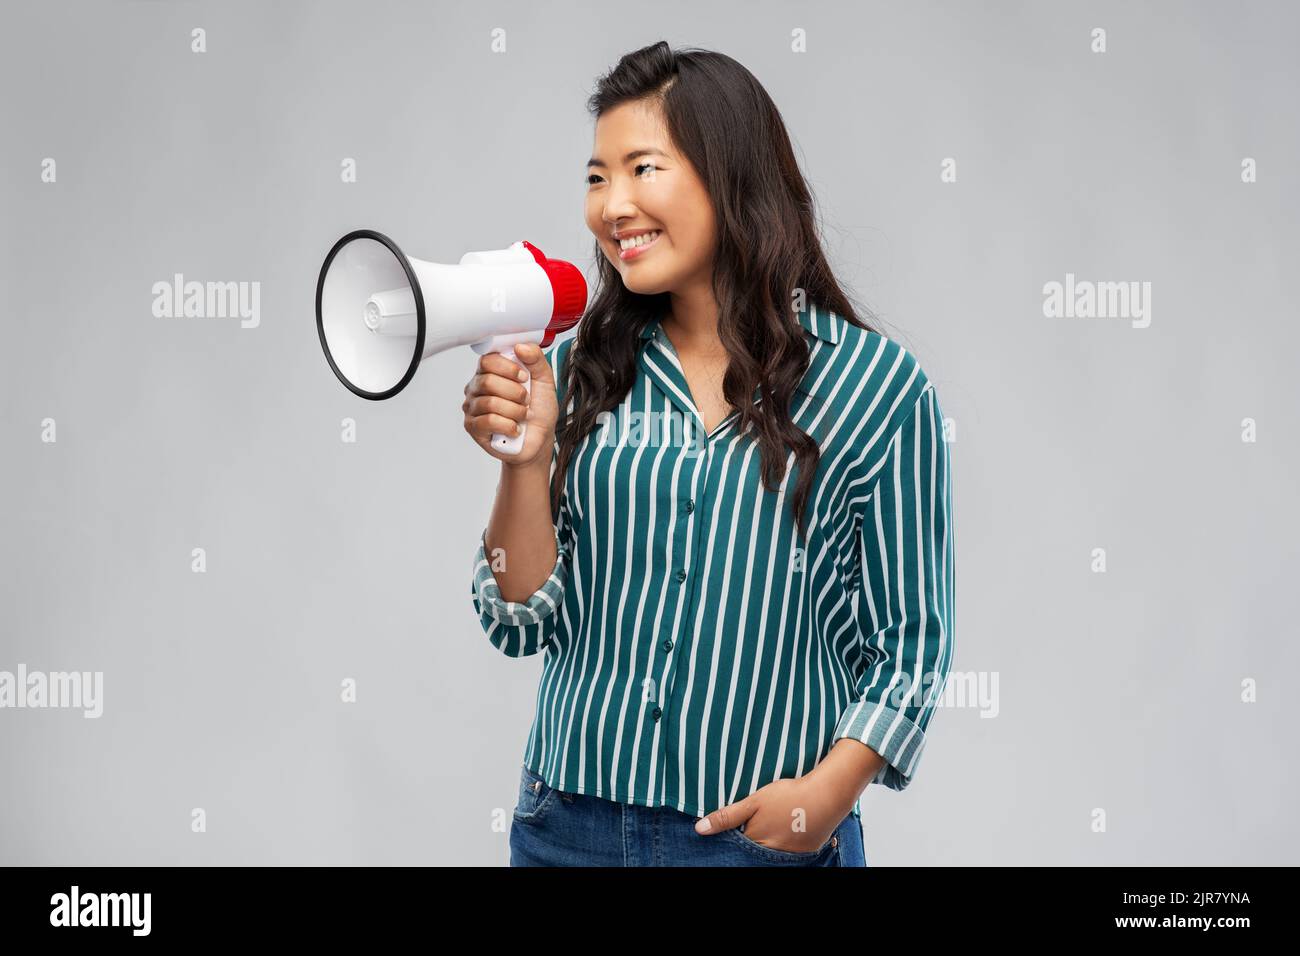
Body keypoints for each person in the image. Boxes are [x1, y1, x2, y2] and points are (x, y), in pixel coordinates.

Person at [464, 41, 954, 867]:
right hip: (565, 833)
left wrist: (819, 803)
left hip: (758, 843)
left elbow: (912, 646)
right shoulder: (576, 371)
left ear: (730, 175)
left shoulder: (879, 388)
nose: (612, 206)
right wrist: (524, 460)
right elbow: (519, 620)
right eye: (595, 177)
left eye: (641, 169)